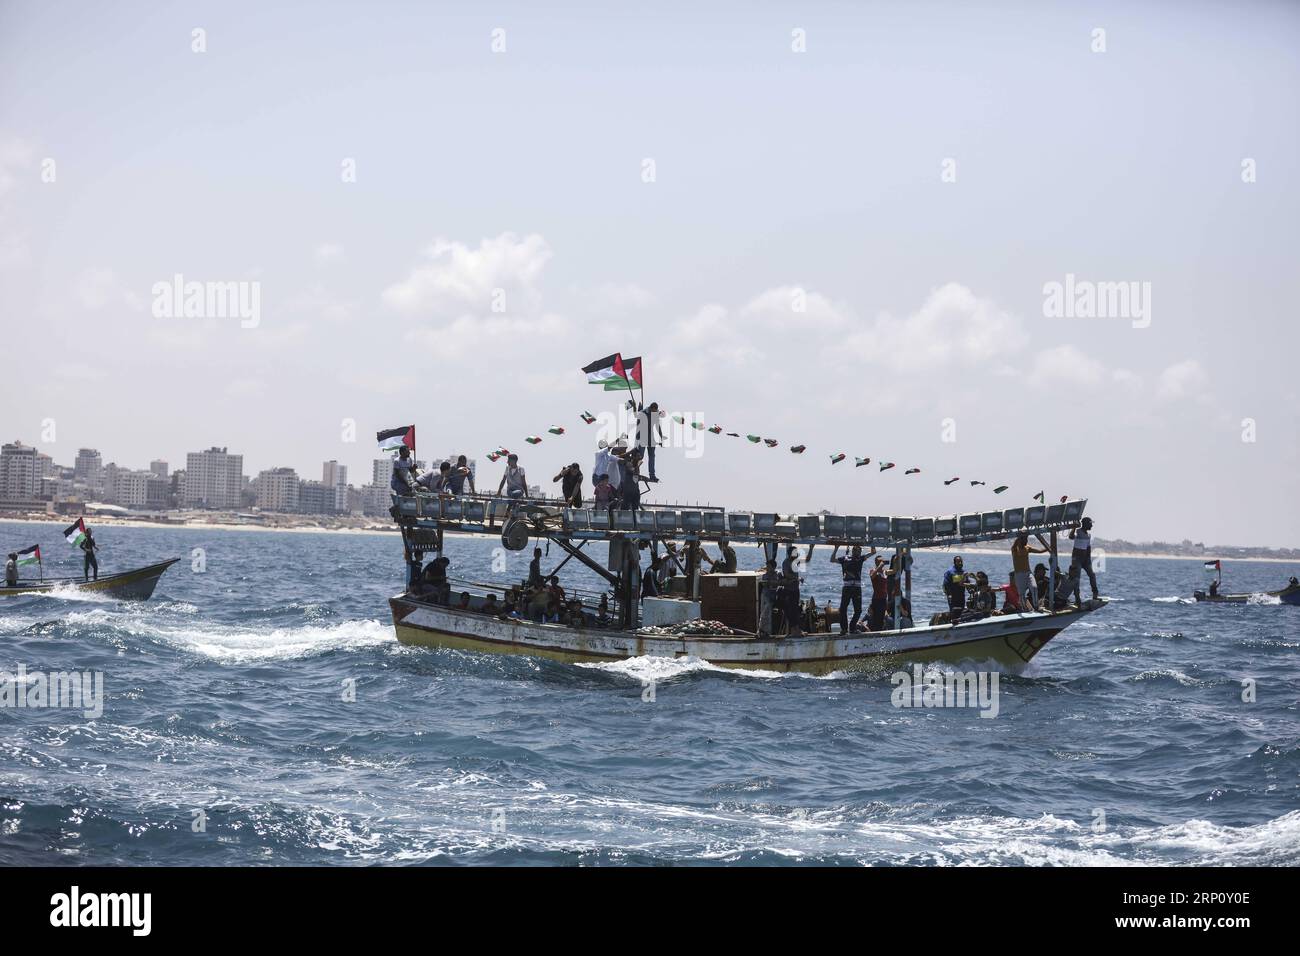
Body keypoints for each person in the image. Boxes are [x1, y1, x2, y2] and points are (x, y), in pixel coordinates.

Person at [830, 544, 871, 634]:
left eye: (860, 552)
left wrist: (871, 545)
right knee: (843, 609)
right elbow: (832, 559)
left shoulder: (860, 559)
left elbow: (873, 552)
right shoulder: (845, 558)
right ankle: (844, 629)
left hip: (857, 588)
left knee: (858, 610)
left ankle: (852, 628)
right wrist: (836, 548)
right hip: (847, 587)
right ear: (853, 551)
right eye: (858, 551)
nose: (859, 553)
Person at [1011, 533, 1049, 611]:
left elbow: (1040, 551)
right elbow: (1015, 544)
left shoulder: (1027, 548)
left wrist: (1048, 548)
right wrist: (1020, 535)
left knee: (1034, 587)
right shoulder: (1015, 549)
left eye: (1026, 539)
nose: (1026, 541)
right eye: (1024, 539)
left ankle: (1036, 606)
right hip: (1019, 575)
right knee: (1021, 594)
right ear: (1020, 539)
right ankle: (1024, 609)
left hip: (1028, 573)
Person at [1068, 517, 1100, 602]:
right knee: (1076, 578)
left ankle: (1095, 594)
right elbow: (1071, 537)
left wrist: (1088, 560)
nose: (1092, 526)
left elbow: (1088, 548)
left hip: (1085, 559)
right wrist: (1074, 527)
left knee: (1092, 575)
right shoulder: (1078, 531)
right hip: (1077, 559)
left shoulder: (1088, 535)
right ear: (1085, 524)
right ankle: (1077, 597)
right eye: (1090, 524)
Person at [636, 402, 666, 481]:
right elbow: (638, 425)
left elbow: (657, 426)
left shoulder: (655, 413)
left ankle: (652, 475)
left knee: (652, 456)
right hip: (642, 437)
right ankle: (635, 471)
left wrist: (661, 436)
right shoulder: (642, 413)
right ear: (651, 408)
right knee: (640, 456)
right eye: (654, 411)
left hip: (651, 438)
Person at [780, 545, 803, 637]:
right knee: (790, 611)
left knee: (795, 610)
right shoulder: (786, 562)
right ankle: (793, 631)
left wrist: (811, 549)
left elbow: (807, 559)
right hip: (788, 590)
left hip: (795, 590)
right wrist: (797, 578)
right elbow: (787, 574)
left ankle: (797, 629)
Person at [867, 555, 889, 631]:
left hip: (883, 599)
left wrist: (897, 559)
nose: (882, 562)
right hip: (877, 599)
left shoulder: (885, 572)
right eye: (880, 561)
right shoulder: (873, 571)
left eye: (882, 561)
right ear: (876, 562)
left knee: (882, 619)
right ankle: (874, 633)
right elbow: (872, 576)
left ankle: (879, 632)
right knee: (876, 619)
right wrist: (879, 566)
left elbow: (895, 570)